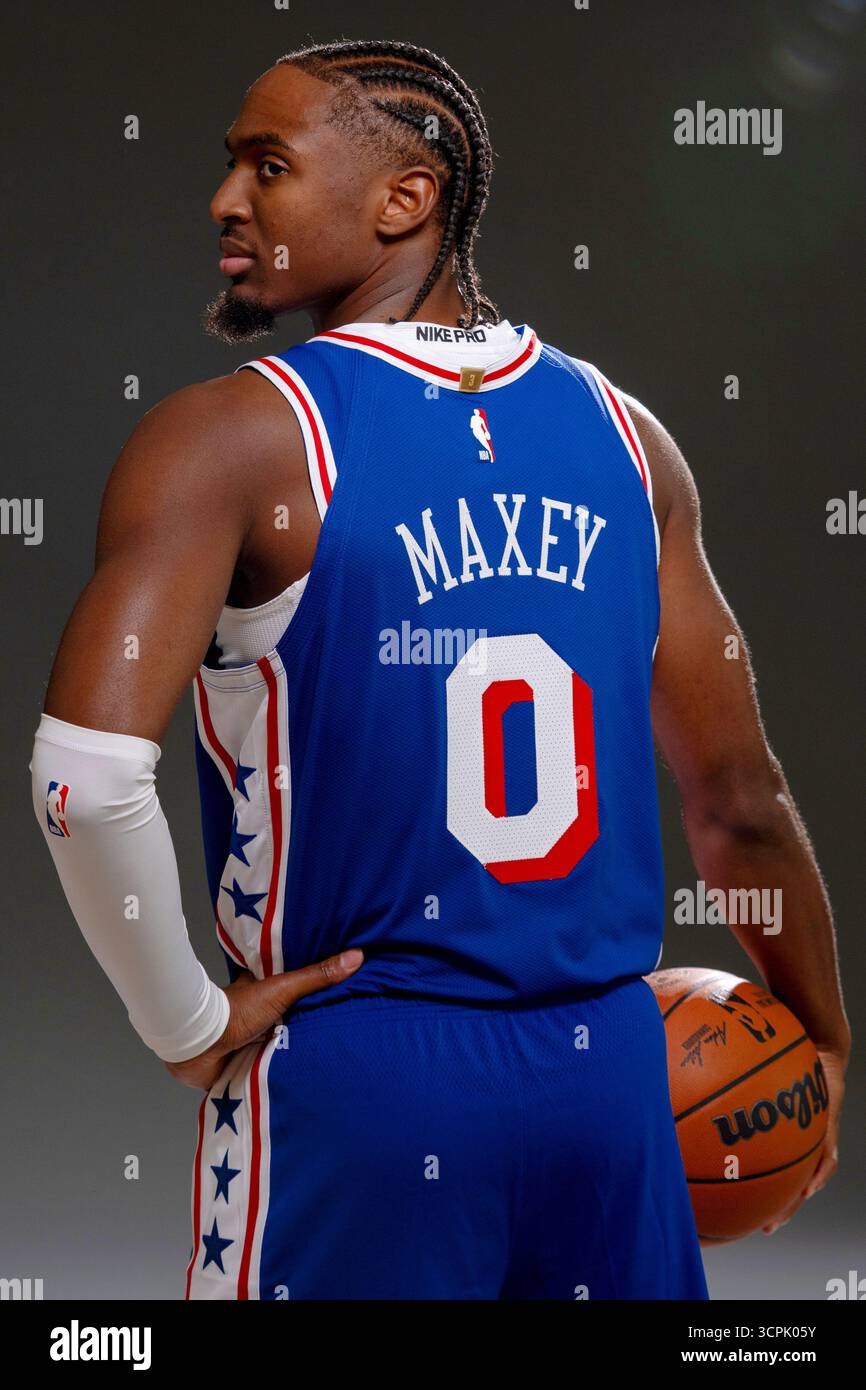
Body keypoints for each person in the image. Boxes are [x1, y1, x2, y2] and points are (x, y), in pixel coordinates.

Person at [30, 39, 849, 1300]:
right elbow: (737, 800)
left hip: (365, 1077)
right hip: (609, 1082)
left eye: (268, 165)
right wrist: (820, 1041)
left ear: (404, 199)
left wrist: (186, 1025)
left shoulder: (233, 437)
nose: (225, 201)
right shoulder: (630, 441)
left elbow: (83, 786)